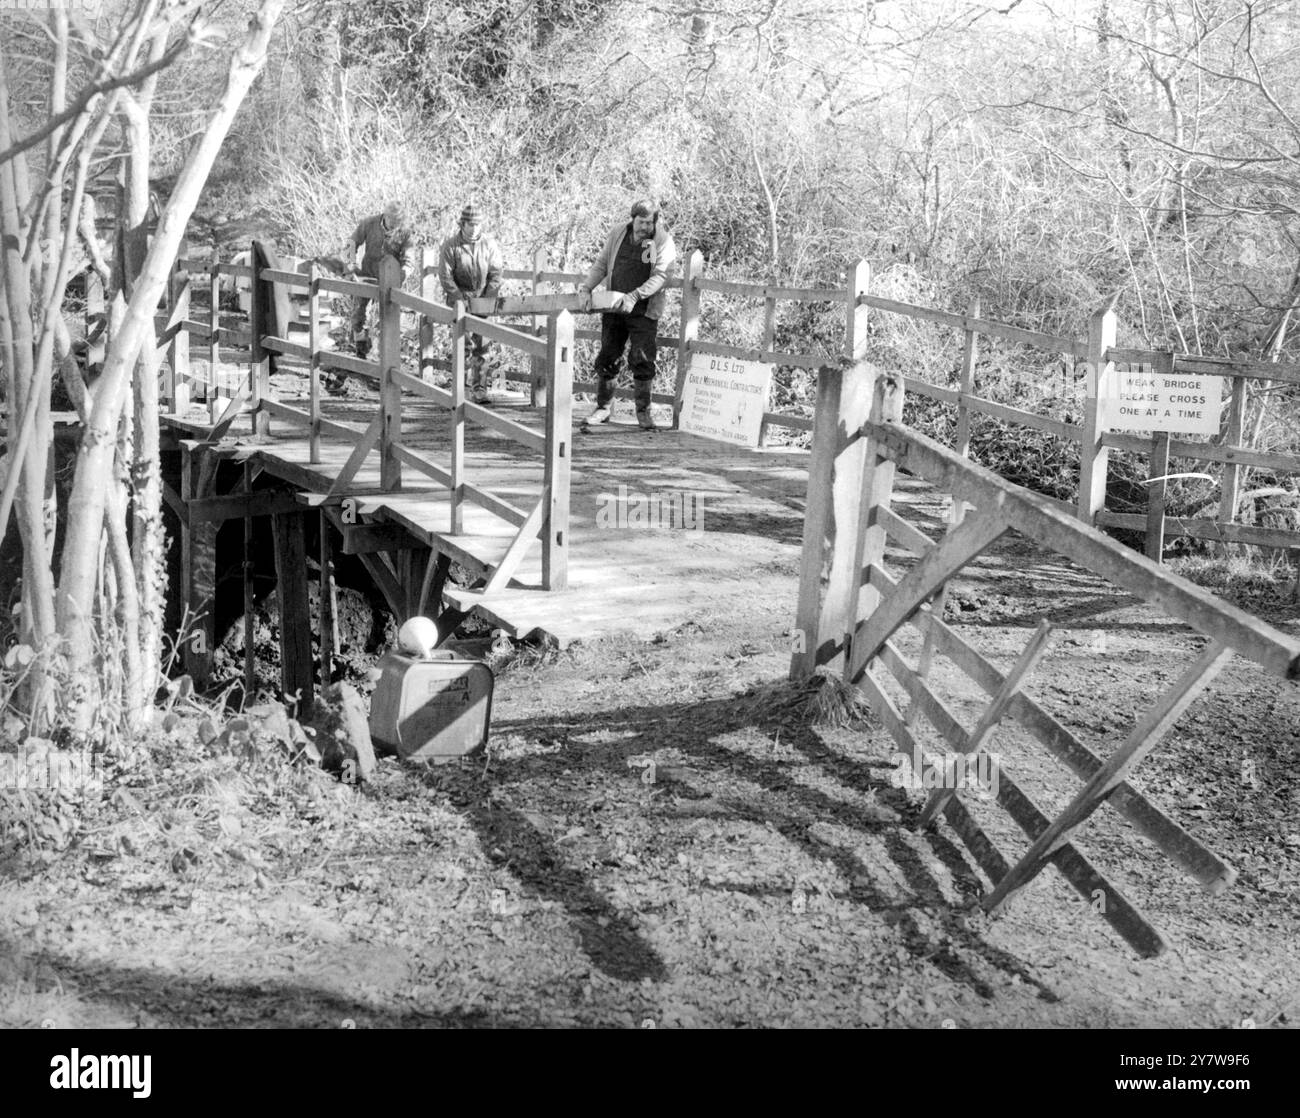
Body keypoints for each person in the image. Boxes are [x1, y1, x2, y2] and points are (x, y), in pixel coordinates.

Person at [577, 199, 678, 430]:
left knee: (643, 358)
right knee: (608, 356)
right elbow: (602, 264)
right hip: (614, 305)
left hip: (643, 309)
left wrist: (634, 296)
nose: (645, 227)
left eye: (649, 223)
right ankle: (603, 408)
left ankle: (643, 413)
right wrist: (586, 289)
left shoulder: (661, 241)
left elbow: (662, 276)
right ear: (632, 219)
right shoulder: (618, 233)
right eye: (641, 222)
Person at [439, 203, 504, 405]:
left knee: (483, 347)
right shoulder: (451, 246)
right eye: (470, 225)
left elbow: (496, 273)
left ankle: (479, 388)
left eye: (477, 225)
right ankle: (458, 389)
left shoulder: (489, 245)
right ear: (463, 225)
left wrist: (487, 298)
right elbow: (445, 276)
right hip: (459, 301)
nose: (474, 228)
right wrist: (460, 299)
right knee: (462, 346)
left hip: (482, 300)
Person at [343, 200, 412, 360]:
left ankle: (385, 355)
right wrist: (351, 268)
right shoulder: (369, 223)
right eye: (392, 221)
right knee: (359, 314)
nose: (394, 225)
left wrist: (400, 276)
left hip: (390, 281)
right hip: (367, 275)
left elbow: (409, 261)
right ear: (385, 216)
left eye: (398, 222)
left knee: (388, 318)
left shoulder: (405, 233)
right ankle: (361, 349)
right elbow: (350, 244)